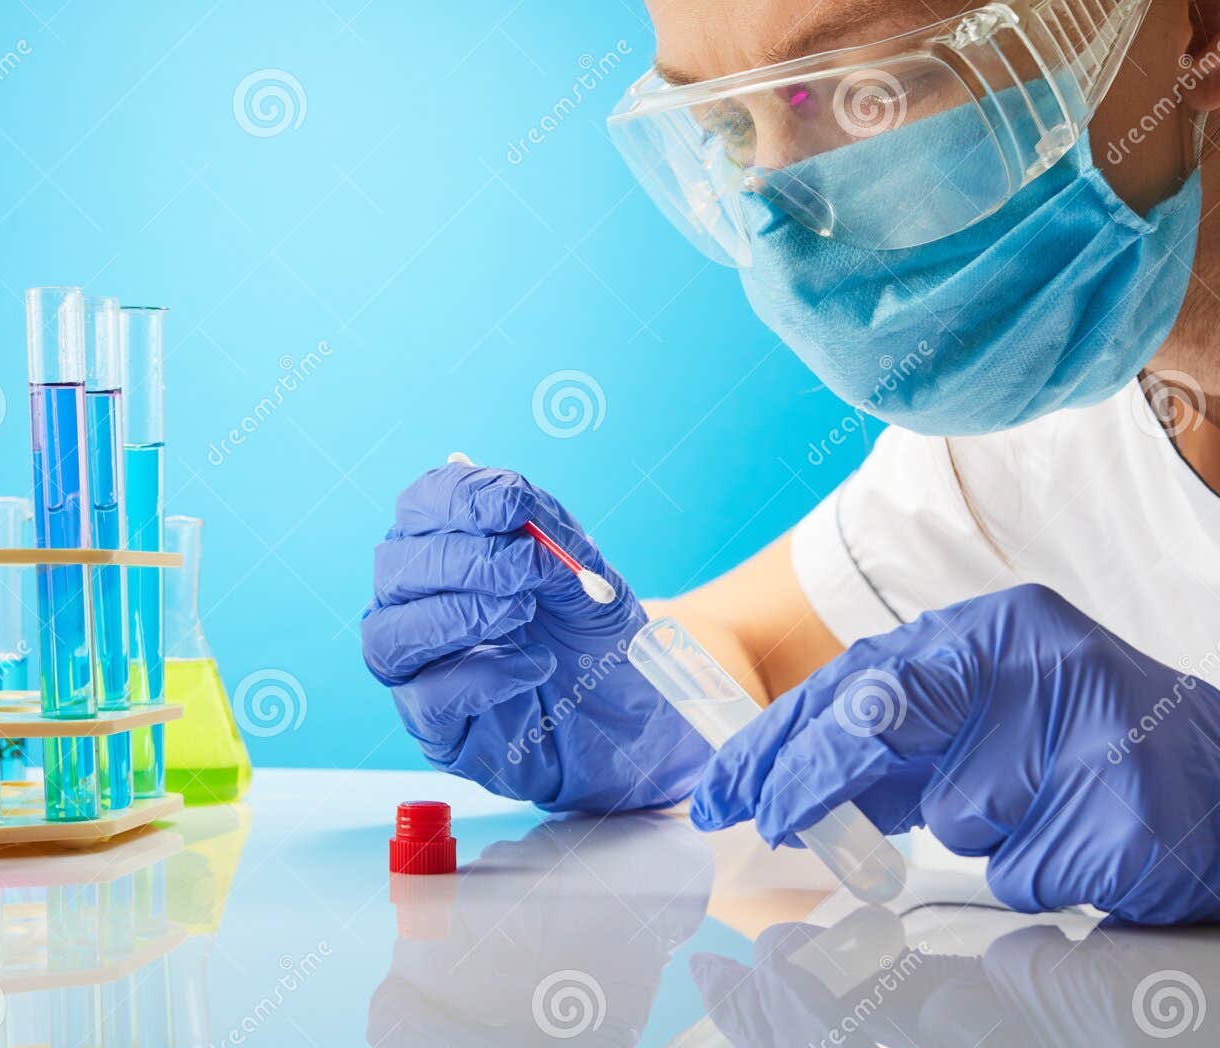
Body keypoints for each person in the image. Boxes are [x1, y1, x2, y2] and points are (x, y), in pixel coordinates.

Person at [362, 0, 1220, 924]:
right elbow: (758, 665)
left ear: (1196, 24)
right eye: (728, 124)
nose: (779, 217)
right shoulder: (1037, 433)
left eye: (867, 97)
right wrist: (628, 711)